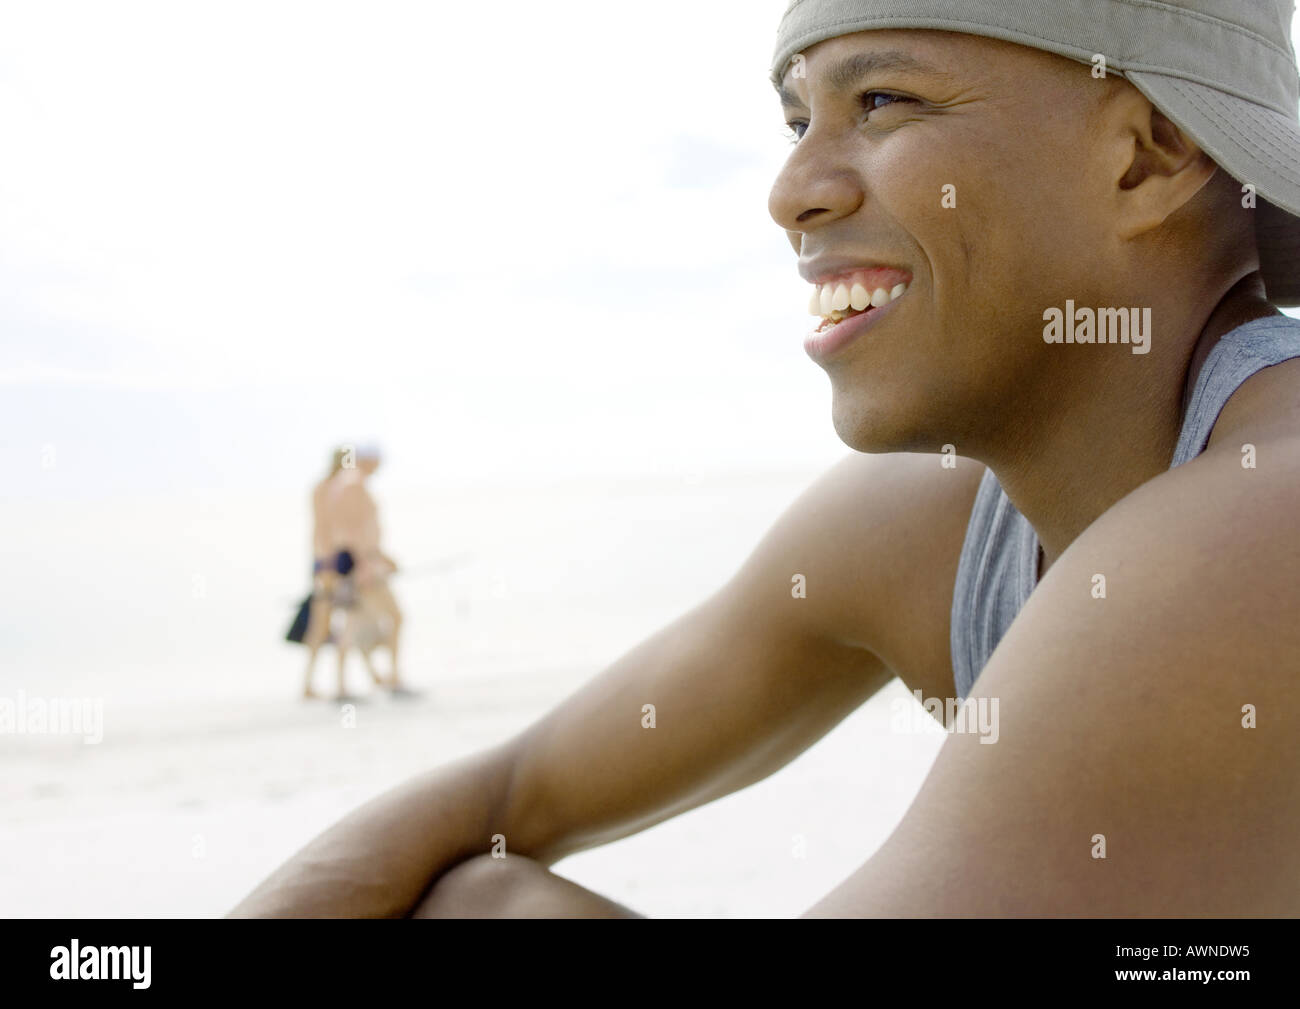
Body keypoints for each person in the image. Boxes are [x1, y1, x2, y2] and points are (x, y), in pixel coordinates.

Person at [233, 0, 1300, 916]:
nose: (791, 191)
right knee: (483, 898)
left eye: (881, 102)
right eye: (798, 119)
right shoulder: (935, 527)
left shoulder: (1266, 523)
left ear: (1143, 156)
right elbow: (511, 797)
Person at [301, 444, 407, 700]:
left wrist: (325, 564)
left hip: (326, 563)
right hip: (345, 563)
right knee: (365, 620)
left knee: (330, 624)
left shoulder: (324, 489)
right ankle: (383, 679)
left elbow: (325, 532)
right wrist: (366, 562)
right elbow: (346, 532)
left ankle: (321, 685)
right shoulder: (349, 486)